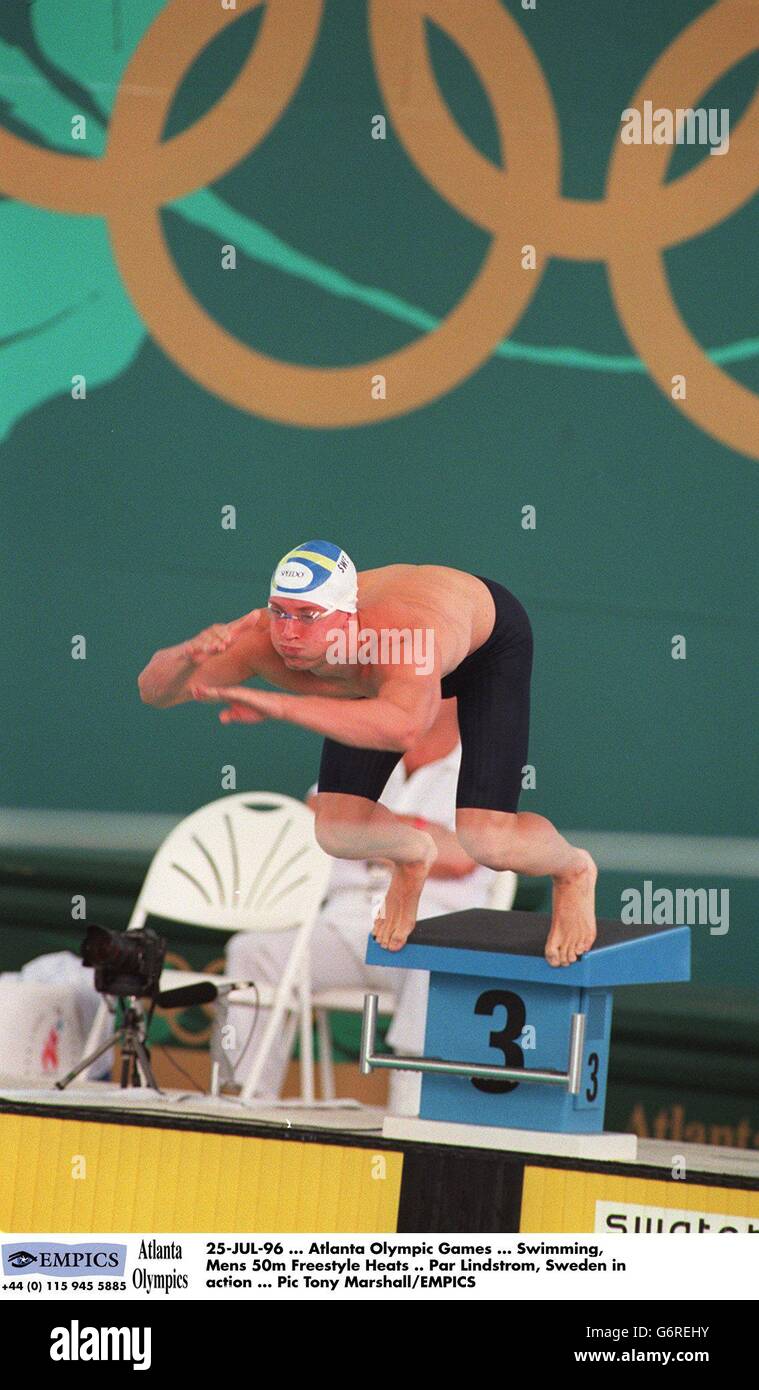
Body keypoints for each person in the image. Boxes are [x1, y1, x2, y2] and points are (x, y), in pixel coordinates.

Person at [138, 540, 597, 966]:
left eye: (307, 616)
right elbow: (154, 693)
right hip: (371, 669)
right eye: (280, 612)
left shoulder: (400, 640)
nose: (289, 633)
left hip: (484, 646)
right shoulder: (264, 637)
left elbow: (404, 728)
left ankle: (574, 869)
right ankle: (413, 854)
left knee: (488, 840)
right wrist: (186, 654)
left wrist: (282, 705)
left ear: (347, 617)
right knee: (337, 831)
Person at [222, 699, 499, 1103]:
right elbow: (320, 814)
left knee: (434, 966)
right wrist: (419, 836)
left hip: (430, 927)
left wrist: (367, 827)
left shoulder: (487, 764)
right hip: (344, 923)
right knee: (253, 952)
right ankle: (240, 1104)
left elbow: (461, 857)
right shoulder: (364, 747)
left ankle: (411, 1116)